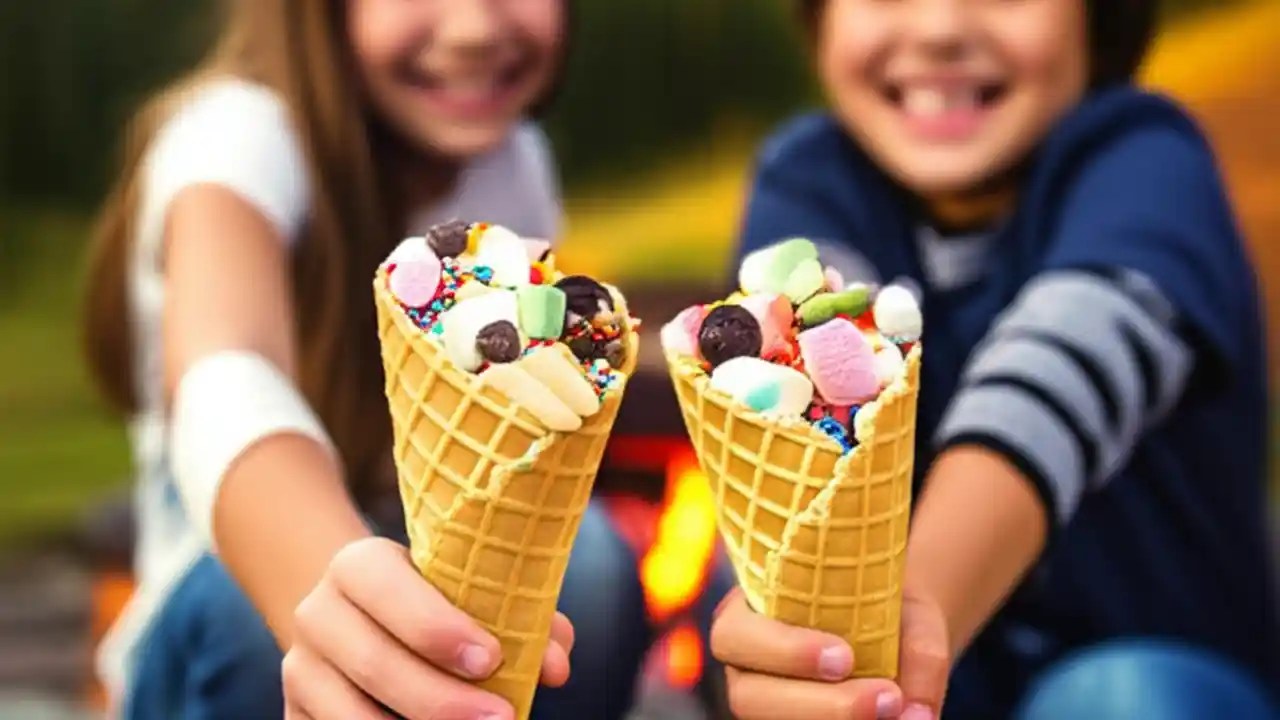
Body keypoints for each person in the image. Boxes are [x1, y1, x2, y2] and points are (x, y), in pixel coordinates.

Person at [710, 1, 1280, 719]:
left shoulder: (1148, 160)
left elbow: (1054, 385)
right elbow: (810, 366)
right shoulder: (809, 179)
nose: (940, 28)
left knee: (1123, 697)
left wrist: (912, 620)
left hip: (1163, 674)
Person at [82, 2, 650, 718]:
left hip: (423, 547)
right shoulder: (233, 138)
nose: (474, 27)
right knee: (247, 618)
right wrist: (351, 615)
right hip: (211, 637)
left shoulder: (515, 162)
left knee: (592, 566)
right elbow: (226, 375)